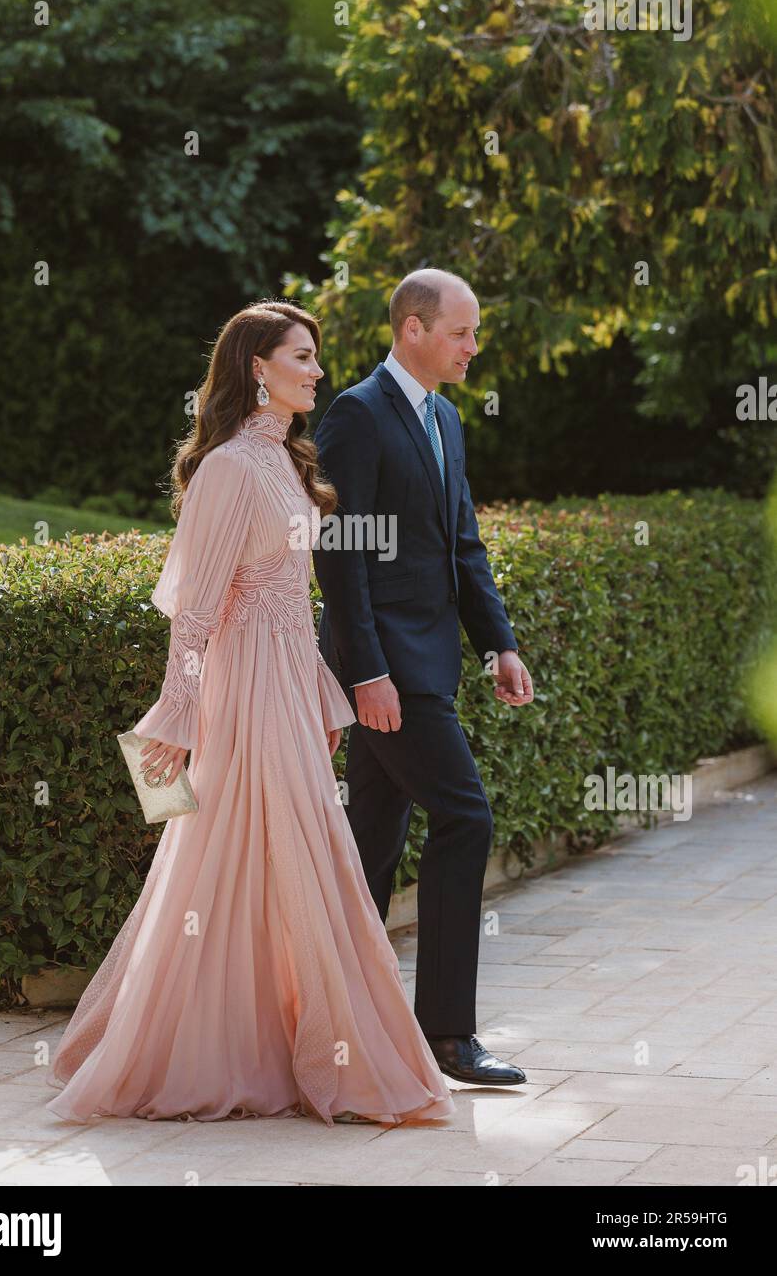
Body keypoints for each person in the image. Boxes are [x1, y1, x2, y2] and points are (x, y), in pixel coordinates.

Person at [44, 300, 455, 1128]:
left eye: (315, 356)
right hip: (240, 694)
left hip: (284, 688)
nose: (315, 370)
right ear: (255, 368)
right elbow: (196, 610)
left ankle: (275, 1041)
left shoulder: (284, 463)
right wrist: (176, 712)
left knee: (274, 857)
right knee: (254, 852)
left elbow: (283, 601)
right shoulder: (230, 468)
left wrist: (318, 689)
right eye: (300, 357)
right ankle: (200, 1051)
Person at [313, 268, 534, 1087]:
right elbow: (337, 553)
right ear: (413, 328)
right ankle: (444, 1035)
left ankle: (338, 1023)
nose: (473, 347)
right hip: (387, 671)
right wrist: (364, 671)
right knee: (465, 816)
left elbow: (461, 545)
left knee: (371, 845)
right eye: (462, 332)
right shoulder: (356, 414)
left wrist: (498, 644)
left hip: (432, 660)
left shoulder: (444, 416)